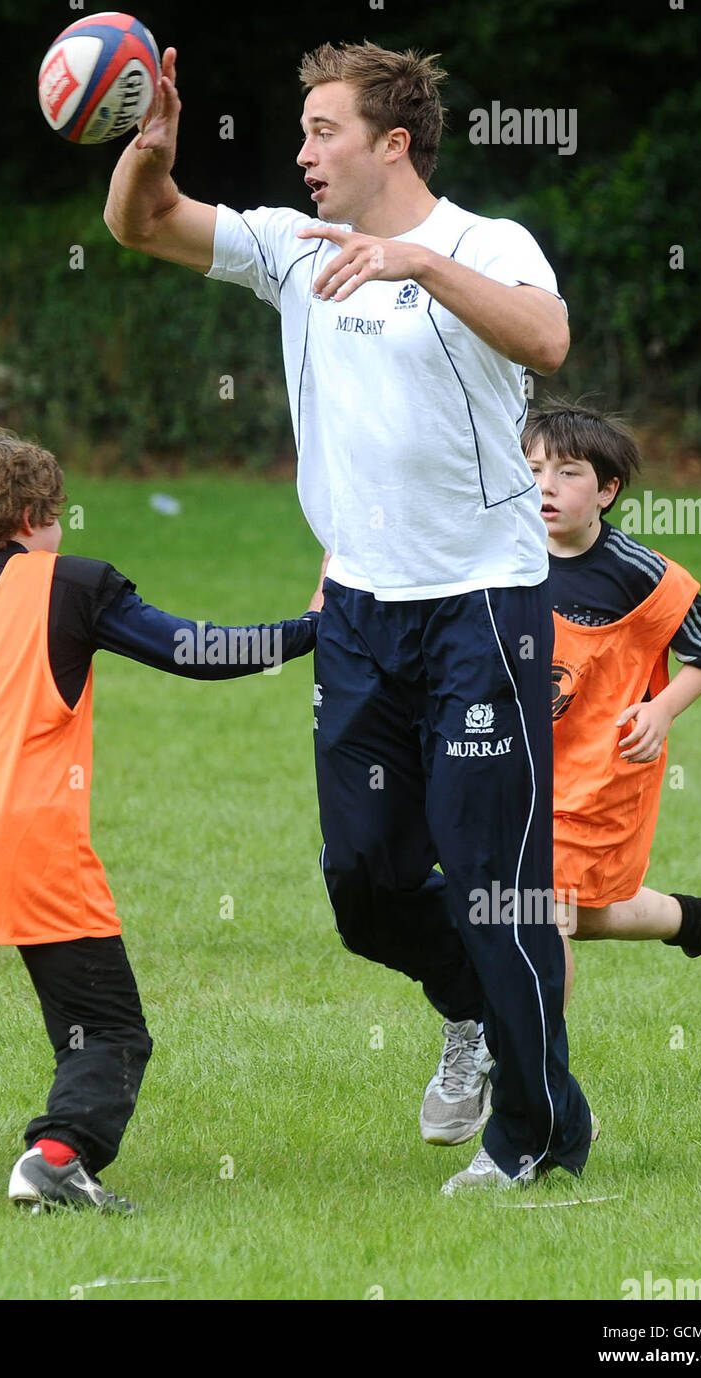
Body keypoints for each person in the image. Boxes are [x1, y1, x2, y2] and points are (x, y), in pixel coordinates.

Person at [105, 41, 591, 1192]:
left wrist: (413, 263)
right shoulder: (290, 244)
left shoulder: (481, 244)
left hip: (482, 609)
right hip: (360, 615)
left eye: (322, 130)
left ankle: (532, 1135)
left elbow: (546, 340)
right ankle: (473, 1004)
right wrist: (147, 155)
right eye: (301, 132)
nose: (301, 151)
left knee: (489, 881)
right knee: (362, 888)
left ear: (391, 143)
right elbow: (143, 225)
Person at [0, 420, 321, 1210]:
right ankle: (56, 1157)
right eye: (55, 512)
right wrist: (317, 623)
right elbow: (201, 653)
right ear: (33, 518)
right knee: (107, 1028)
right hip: (25, 840)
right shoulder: (69, 584)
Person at [523, 402, 701, 1010]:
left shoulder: (636, 573)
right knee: (569, 912)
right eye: (535, 468)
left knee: (540, 916)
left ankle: (534, 1082)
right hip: (524, 770)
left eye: (568, 472)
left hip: (601, 775)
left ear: (607, 490)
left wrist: (663, 710)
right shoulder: (507, 554)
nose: (546, 486)